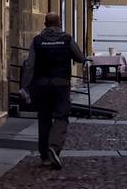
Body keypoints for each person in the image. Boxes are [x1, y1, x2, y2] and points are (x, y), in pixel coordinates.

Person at [19, 12, 86, 169]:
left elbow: (30, 65)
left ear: (45, 23)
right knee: (61, 117)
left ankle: (45, 157)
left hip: (41, 85)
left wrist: (25, 86)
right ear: (59, 23)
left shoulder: (37, 40)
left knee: (44, 119)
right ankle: (54, 147)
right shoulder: (67, 39)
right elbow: (80, 58)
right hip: (61, 84)